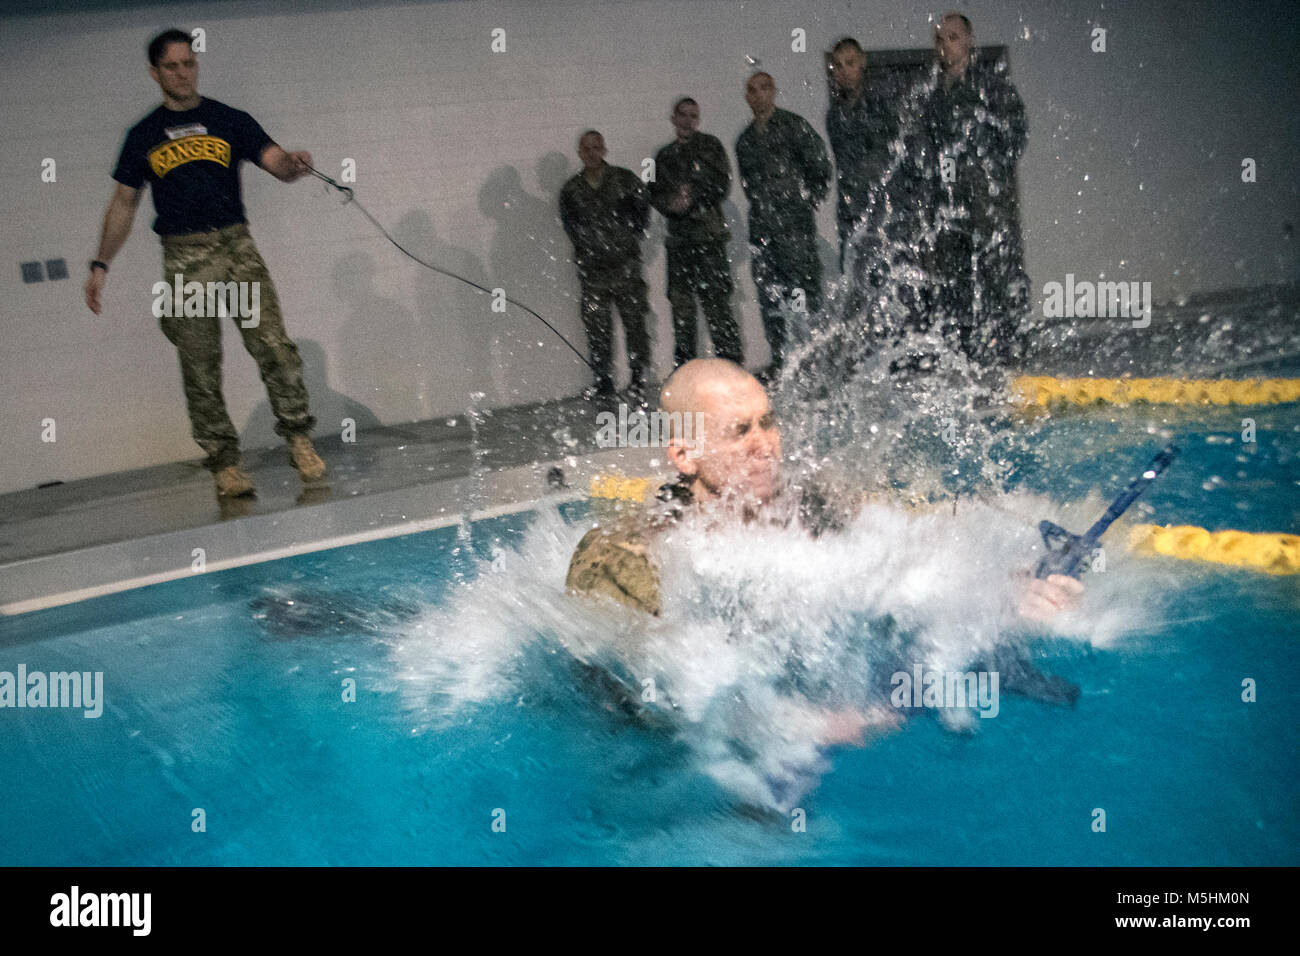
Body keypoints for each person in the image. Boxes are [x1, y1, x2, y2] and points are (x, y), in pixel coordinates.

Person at [566, 359, 1084, 744]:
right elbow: (652, 691)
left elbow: (915, 548)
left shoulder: (809, 502)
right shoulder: (632, 555)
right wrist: (797, 727)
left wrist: (1001, 583)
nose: (764, 445)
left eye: (767, 423)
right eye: (739, 431)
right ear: (684, 455)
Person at [84, 28, 325, 499]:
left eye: (189, 63)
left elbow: (275, 161)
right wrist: (100, 264)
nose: (183, 73)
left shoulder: (228, 120)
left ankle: (298, 436)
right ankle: (224, 463)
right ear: (155, 73)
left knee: (274, 347)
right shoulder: (143, 136)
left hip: (237, 249)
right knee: (200, 365)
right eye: (172, 66)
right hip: (184, 256)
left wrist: (294, 164)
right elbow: (124, 204)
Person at [921, 12, 1031, 367]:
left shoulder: (990, 84)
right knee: (955, 277)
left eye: (952, 37)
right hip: (950, 200)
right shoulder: (934, 94)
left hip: (986, 198)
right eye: (940, 38)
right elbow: (929, 148)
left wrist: (991, 171)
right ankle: (966, 351)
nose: (945, 44)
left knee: (997, 270)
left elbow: (1017, 130)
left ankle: (1012, 345)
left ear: (969, 41)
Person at [735, 73, 832, 380]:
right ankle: (781, 360)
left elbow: (821, 167)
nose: (758, 95)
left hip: (795, 230)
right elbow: (749, 186)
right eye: (752, 90)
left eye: (764, 88)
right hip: (763, 232)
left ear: (774, 92)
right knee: (771, 297)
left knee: (805, 295)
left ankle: (814, 361)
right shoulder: (745, 141)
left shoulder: (794, 126)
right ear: (747, 97)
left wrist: (805, 204)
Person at [558, 131, 653, 404]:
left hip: (626, 268)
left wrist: (626, 239)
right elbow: (571, 227)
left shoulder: (624, 179)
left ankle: (637, 379)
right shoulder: (571, 190)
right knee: (597, 330)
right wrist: (591, 249)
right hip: (594, 273)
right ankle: (604, 381)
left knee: (635, 325)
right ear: (579, 152)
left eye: (596, 147)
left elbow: (643, 211)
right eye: (586, 148)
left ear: (604, 149)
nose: (591, 152)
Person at [649, 98, 744, 369]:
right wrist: (672, 204)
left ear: (698, 120)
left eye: (693, 115)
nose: (688, 120)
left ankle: (732, 366)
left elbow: (721, 184)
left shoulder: (710, 146)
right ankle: (686, 370)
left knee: (718, 307)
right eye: (683, 115)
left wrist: (691, 197)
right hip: (679, 244)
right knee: (681, 309)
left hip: (709, 241)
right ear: (674, 118)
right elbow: (654, 193)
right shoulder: (663, 156)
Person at [825, 37, 899, 272]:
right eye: (837, 65)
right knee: (854, 282)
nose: (844, 71)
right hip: (851, 214)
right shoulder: (835, 115)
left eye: (850, 62)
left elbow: (900, 155)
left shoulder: (884, 103)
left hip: (884, 211)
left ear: (862, 62)